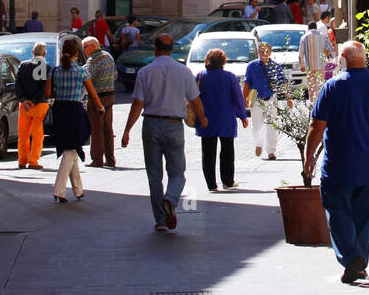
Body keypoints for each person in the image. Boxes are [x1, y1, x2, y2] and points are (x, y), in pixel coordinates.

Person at [304, 40, 369, 284]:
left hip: (338, 166)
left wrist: (308, 157)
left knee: (338, 213)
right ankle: (358, 265)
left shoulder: (332, 87)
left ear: (342, 60)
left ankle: (351, 257)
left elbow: (316, 127)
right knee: (364, 217)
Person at [121, 33, 207, 231]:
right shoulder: (184, 71)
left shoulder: (145, 72)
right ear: (171, 49)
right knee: (178, 173)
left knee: (154, 176)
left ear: (156, 49)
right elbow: (195, 100)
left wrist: (127, 130)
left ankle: (160, 220)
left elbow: (137, 103)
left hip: (150, 124)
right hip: (174, 125)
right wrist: (202, 118)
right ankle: (171, 199)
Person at [49, 37, 104, 203]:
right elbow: (93, 93)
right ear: (76, 53)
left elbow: (47, 93)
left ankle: (78, 190)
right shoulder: (81, 71)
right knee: (71, 148)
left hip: (59, 109)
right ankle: (59, 190)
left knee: (70, 146)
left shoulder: (55, 71)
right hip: (74, 109)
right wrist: (100, 107)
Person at [194, 48, 249, 192]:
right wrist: (243, 116)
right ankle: (228, 181)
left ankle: (211, 184)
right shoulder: (230, 77)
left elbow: (193, 97)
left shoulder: (200, 76)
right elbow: (238, 98)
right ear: (223, 61)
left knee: (208, 152)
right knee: (227, 151)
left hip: (206, 119)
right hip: (226, 119)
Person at [244, 41, 287, 160]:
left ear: (270, 52)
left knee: (271, 125)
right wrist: (243, 99)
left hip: (271, 98)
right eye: (262, 51)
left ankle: (271, 151)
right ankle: (258, 144)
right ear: (258, 52)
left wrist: (288, 98)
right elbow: (247, 83)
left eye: (266, 51)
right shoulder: (251, 66)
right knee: (257, 126)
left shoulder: (275, 66)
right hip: (257, 100)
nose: (264, 54)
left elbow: (283, 82)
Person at [82, 36, 117, 168]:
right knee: (108, 128)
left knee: (96, 129)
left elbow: (86, 77)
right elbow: (115, 75)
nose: (84, 50)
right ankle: (110, 159)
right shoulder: (109, 56)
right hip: (110, 96)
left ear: (92, 46)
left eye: (85, 47)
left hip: (97, 98)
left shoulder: (93, 60)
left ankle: (97, 160)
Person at [16, 42, 51, 170]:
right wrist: (34, 100)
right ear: (44, 53)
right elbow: (42, 87)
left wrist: (23, 99)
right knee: (37, 134)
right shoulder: (43, 66)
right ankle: (33, 161)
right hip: (39, 104)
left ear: (32, 52)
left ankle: (22, 160)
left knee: (23, 134)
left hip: (24, 105)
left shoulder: (23, 65)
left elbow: (18, 84)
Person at [299, 20, 330, 101]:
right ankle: (320, 103)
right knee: (319, 85)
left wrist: (302, 65)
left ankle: (312, 104)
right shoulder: (323, 36)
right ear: (316, 28)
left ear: (308, 28)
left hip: (309, 66)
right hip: (321, 66)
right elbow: (330, 49)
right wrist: (330, 61)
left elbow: (300, 53)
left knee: (311, 87)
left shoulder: (304, 37)